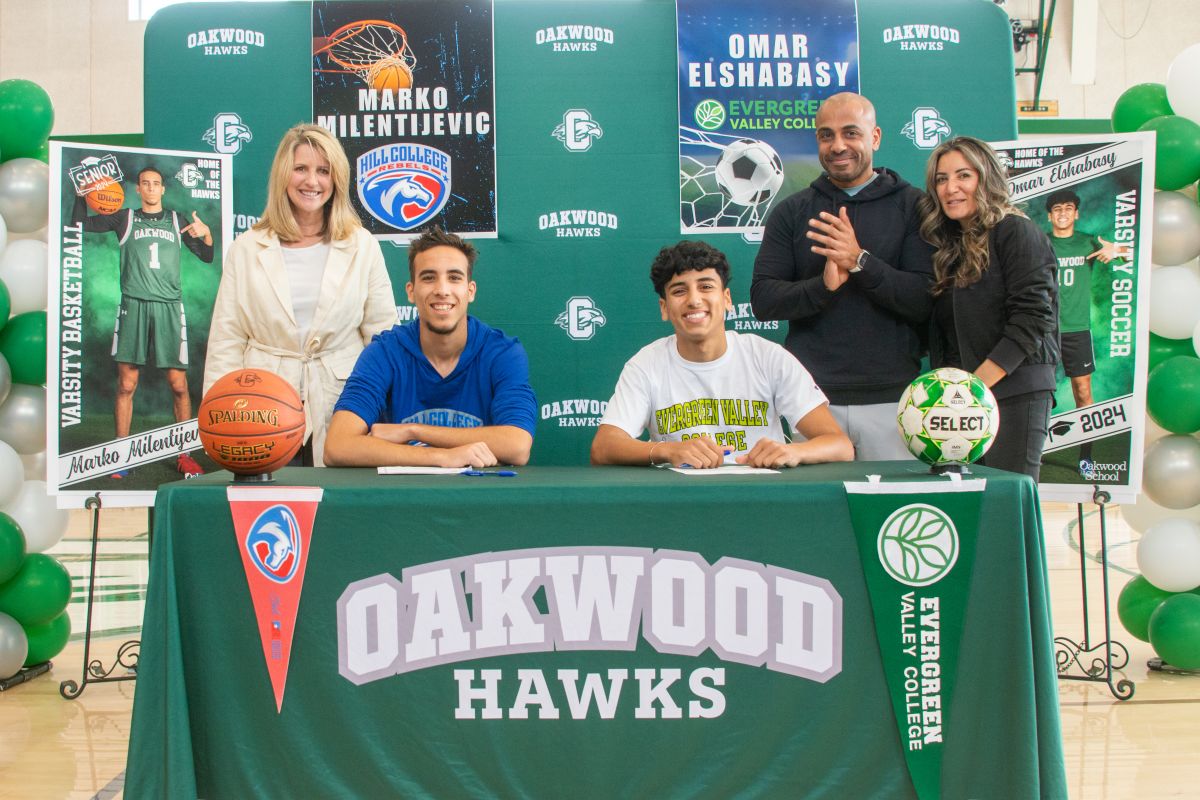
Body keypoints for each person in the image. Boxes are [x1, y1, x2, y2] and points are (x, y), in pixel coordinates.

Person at [751, 92, 934, 462]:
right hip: (811, 402)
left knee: (891, 518)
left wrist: (860, 262)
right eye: (825, 135)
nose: (838, 146)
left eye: (851, 133)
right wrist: (823, 287)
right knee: (816, 518)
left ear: (876, 137)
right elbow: (763, 300)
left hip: (894, 401)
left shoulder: (914, 206)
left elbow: (924, 299)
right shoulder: (792, 211)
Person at [204, 124, 396, 466]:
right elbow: (227, 338)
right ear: (283, 175)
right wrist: (219, 415)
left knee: (338, 515)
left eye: (323, 171)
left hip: (346, 408)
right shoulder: (246, 248)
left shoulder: (362, 244)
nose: (312, 182)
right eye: (301, 169)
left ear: (336, 178)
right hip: (261, 410)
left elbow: (383, 336)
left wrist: (387, 413)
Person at [591, 241, 853, 468]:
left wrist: (793, 451)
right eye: (679, 291)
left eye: (706, 287)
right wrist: (666, 450)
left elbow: (840, 446)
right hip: (677, 501)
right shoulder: (646, 364)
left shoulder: (767, 357)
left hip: (760, 497)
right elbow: (603, 447)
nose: (694, 300)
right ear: (664, 308)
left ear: (727, 299)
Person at [323, 228, 536, 468]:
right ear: (411, 292)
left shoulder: (502, 353)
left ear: (470, 291)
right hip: (401, 499)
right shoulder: (385, 352)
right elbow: (337, 446)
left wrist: (413, 431)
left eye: (454, 278)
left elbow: (517, 446)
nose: (442, 290)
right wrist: (443, 457)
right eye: (428, 277)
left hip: (481, 498)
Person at [919, 136, 1060, 480]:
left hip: (1015, 394)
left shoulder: (1016, 231)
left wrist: (973, 389)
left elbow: (1033, 317)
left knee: (1007, 508)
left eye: (963, 175)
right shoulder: (952, 248)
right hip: (967, 402)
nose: (951, 187)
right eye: (941, 179)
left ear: (987, 178)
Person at [73, 165, 214, 478]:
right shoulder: (124, 217)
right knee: (126, 383)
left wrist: (207, 235)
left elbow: (207, 256)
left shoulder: (177, 221)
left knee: (178, 385)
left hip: (168, 307)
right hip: (133, 306)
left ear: (163, 189)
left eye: (156, 184)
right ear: (138, 188)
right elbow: (79, 224)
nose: (151, 188)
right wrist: (81, 196)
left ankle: (185, 455)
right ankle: (121, 456)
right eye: (145, 183)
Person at [1044, 189, 1120, 408]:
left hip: (1077, 329)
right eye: (1057, 209)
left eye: (1068, 208)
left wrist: (1117, 251)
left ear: (1076, 214)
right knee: (1041, 390)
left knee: (1083, 390)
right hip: (1044, 329)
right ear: (1050, 216)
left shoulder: (1088, 241)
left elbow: (1125, 253)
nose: (1063, 213)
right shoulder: (1040, 242)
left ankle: (1087, 443)